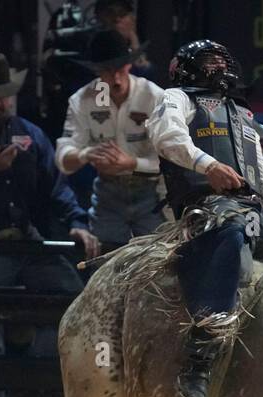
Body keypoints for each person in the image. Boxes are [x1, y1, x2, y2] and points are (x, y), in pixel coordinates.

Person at [146, 38, 263, 397]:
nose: (219, 68)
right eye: (210, 62)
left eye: (223, 61)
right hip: (201, 211)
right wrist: (209, 166)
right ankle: (201, 355)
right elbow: (167, 139)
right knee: (229, 233)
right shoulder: (176, 99)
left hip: (250, 209)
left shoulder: (240, 113)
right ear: (187, 68)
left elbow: (262, 171)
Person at [0, 54, 96, 361]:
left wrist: (77, 222)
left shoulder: (32, 135)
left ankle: (35, 378)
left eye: (3, 95)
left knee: (73, 299)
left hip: (28, 241)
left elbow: (56, 188)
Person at [56, 29, 164, 251]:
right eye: (107, 70)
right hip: (107, 194)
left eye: (120, 69)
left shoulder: (154, 96)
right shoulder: (83, 100)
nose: (115, 78)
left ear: (129, 65)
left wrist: (132, 164)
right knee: (104, 263)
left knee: (157, 263)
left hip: (151, 193)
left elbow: (172, 158)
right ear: (96, 71)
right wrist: (86, 154)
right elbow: (63, 159)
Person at [93, 0, 160, 84]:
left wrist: (134, 44)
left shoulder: (141, 51)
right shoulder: (92, 47)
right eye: (110, 13)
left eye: (122, 14)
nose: (117, 19)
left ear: (132, 19)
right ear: (99, 18)